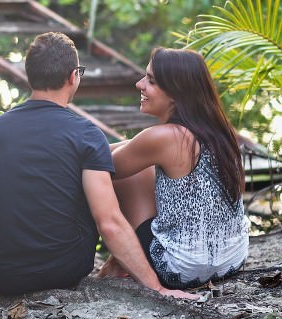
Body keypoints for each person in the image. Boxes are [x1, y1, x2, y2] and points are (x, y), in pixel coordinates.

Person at [0, 32, 197, 299]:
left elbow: (0, 196)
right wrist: (157, 288)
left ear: (29, 75)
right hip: (60, 271)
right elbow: (109, 222)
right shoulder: (85, 133)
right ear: (73, 76)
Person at [98, 47, 249, 288]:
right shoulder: (220, 132)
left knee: (128, 175)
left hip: (179, 269)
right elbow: (135, 146)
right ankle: (118, 261)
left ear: (176, 94)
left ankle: (120, 260)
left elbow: (99, 164)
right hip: (231, 261)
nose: (139, 84)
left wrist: (67, 150)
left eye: (151, 81)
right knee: (139, 161)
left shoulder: (161, 138)